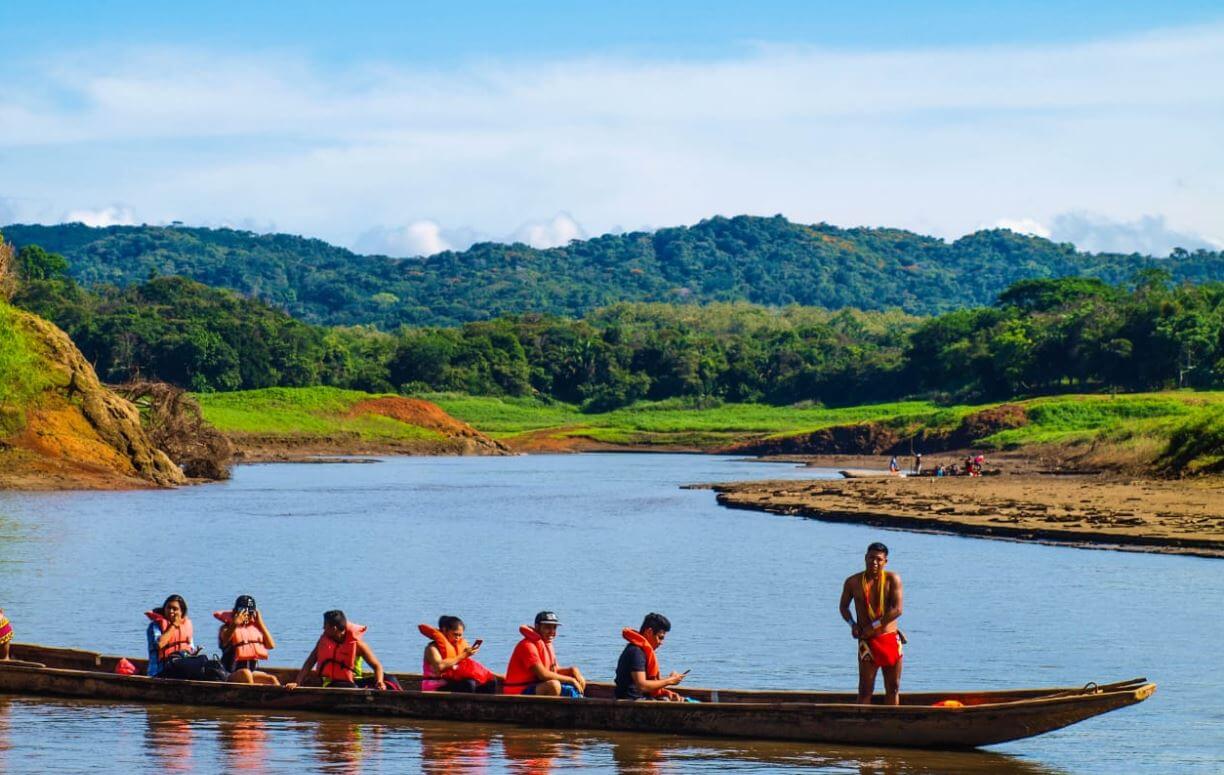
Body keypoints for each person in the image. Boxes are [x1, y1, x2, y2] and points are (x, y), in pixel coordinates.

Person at [839, 542, 904, 705]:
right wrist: (852, 624)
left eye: (878, 559)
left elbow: (897, 609)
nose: (874, 562)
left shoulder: (892, 579)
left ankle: (893, 724)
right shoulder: (853, 582)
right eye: (871, 558)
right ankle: (861, 725)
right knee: (865, 689)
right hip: (867, 642)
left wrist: (872, 627)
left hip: (889, 638)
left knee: (893, 687)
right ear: (865, 558)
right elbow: (843, 607)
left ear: (885, 562)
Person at [287, 610, 389, 690]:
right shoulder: (323, 642)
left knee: (389, 679)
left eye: (325, 626)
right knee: (351, 688)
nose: (323, 628)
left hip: (354, 681)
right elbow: (310, 662)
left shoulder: (358, 645)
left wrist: (380, 681)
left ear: (334, 628)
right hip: (332, 683)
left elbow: (377, 666)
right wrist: (298, 682)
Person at [502, 611, 585, 697]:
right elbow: (543, 675)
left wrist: (573, 670)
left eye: (554, 628)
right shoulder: (527, 646)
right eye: (547, 627)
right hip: (518, 691)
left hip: (536, 686)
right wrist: (571, 680)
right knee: (553, 685)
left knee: (579, 678)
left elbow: (554, 670)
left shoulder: (546, 645)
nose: (552, 631)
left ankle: (577, 705)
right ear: (537, 627)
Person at [615, 612, 686, 701]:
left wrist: (665, 692)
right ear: (649, 632)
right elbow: (642, 686)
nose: (661, 642)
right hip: (630, 703)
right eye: (660, 637)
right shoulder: (636, 652)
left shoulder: (641, 651)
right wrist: (669, 680)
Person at [420, 615, 499, 693]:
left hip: (451, 683)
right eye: (455, 634)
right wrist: (464, 655)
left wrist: (498, 676)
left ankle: (481, 705)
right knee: (469, 684)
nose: (457, 638)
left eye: (460, 635)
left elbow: (470, 668)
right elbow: (440, 666)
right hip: (435, 688)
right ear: (444, 630)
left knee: (491, 682)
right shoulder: (432, 648)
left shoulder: (457, 649)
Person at [215, 595, 280, 686]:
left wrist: (260, 624)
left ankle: (281, 698)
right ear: (235, 611)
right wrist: (234, 624)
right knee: (246, 674)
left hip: (250, 672)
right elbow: (225, 640)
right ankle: (254, 698)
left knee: (272, 679)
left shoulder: (254, 630)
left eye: (249, 612)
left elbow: (271, 645)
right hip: (228, 674)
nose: (246, 615)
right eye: (242, 611)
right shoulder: (226, 629)